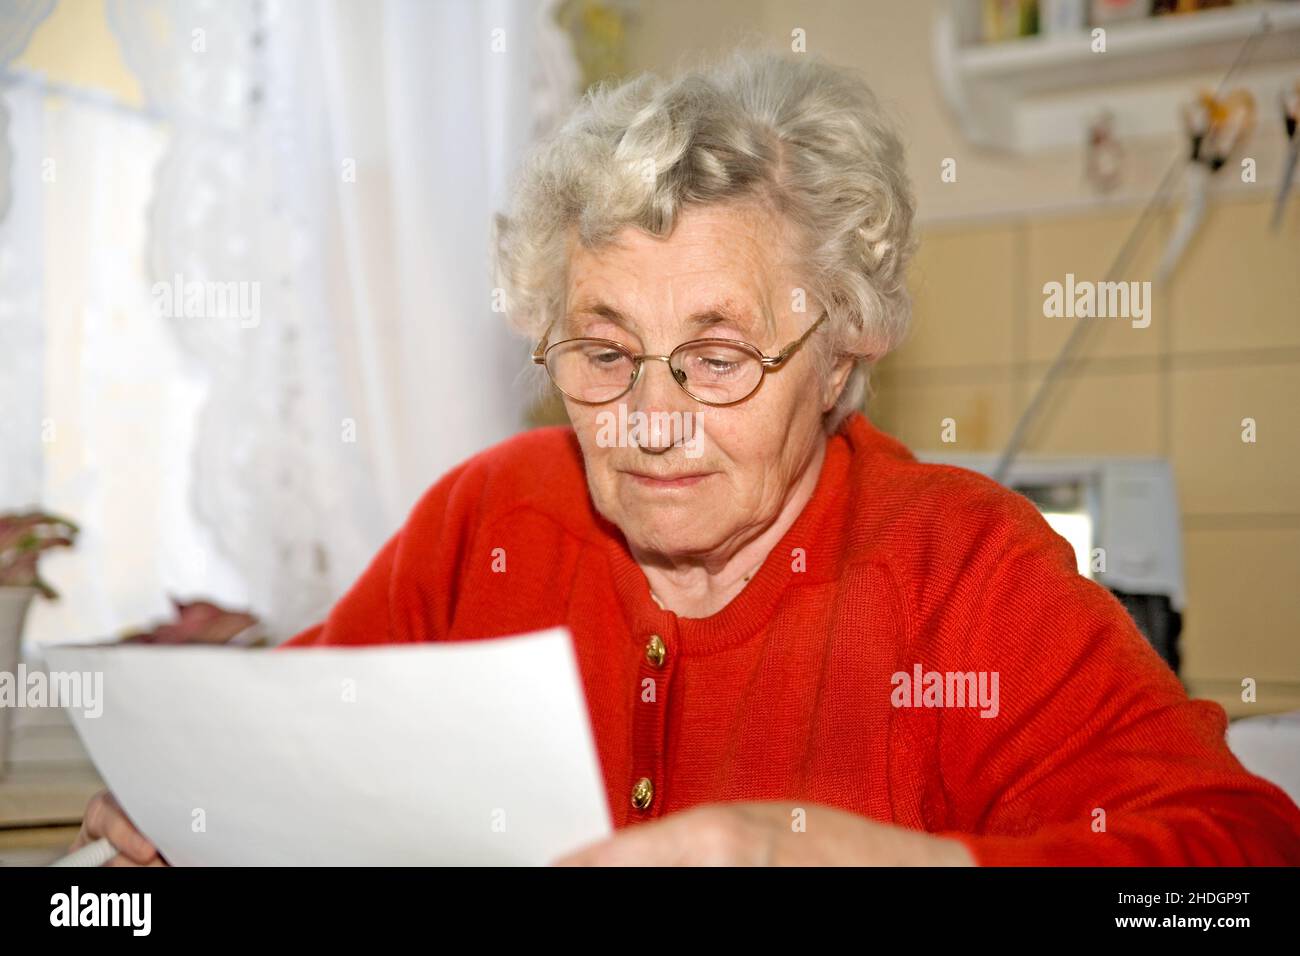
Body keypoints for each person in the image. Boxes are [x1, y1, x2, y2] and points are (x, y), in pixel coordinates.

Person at [74, 48, 1300, 866]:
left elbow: (1234, 860)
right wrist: (188, 812)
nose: (649, 419)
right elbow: (286, 741)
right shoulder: (489, 517)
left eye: (717, 357)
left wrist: (852, 857)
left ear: (839, 351)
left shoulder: (961, 570)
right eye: (603, 353)